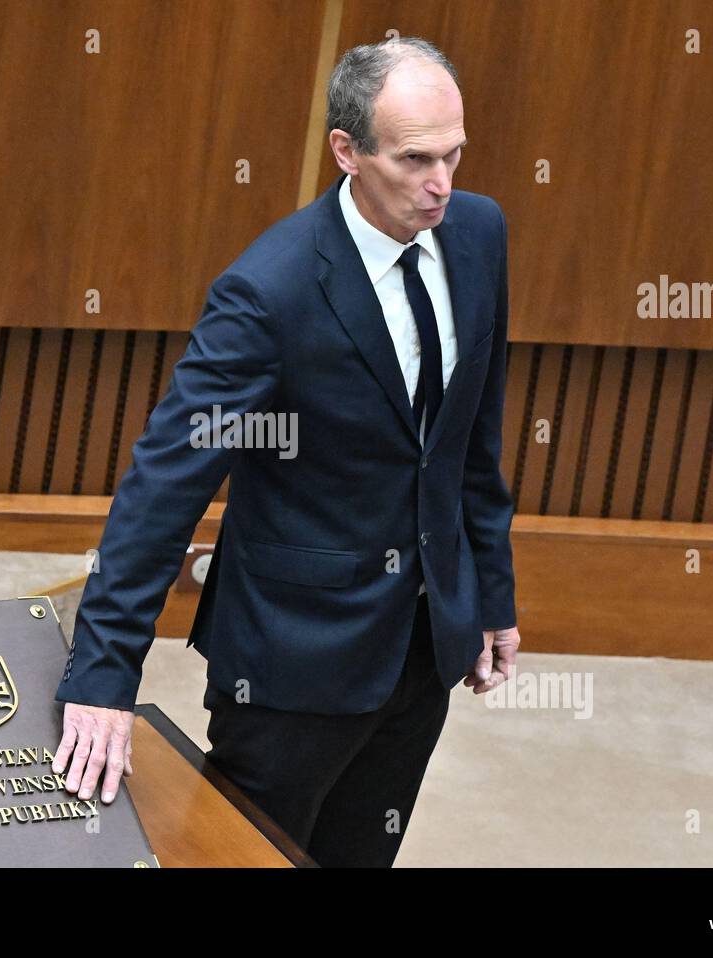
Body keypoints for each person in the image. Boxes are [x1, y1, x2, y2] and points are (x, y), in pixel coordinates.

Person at [52, 36, 520, 867]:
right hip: (291, 662)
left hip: (421, 644)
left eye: (454, 155)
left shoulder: (478, 234)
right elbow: (166, 483)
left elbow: (468, 442)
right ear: (346, 151)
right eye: (415, 160)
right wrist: (103, 674)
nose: (442, 185)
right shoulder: (270, 293)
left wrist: (488, 588)